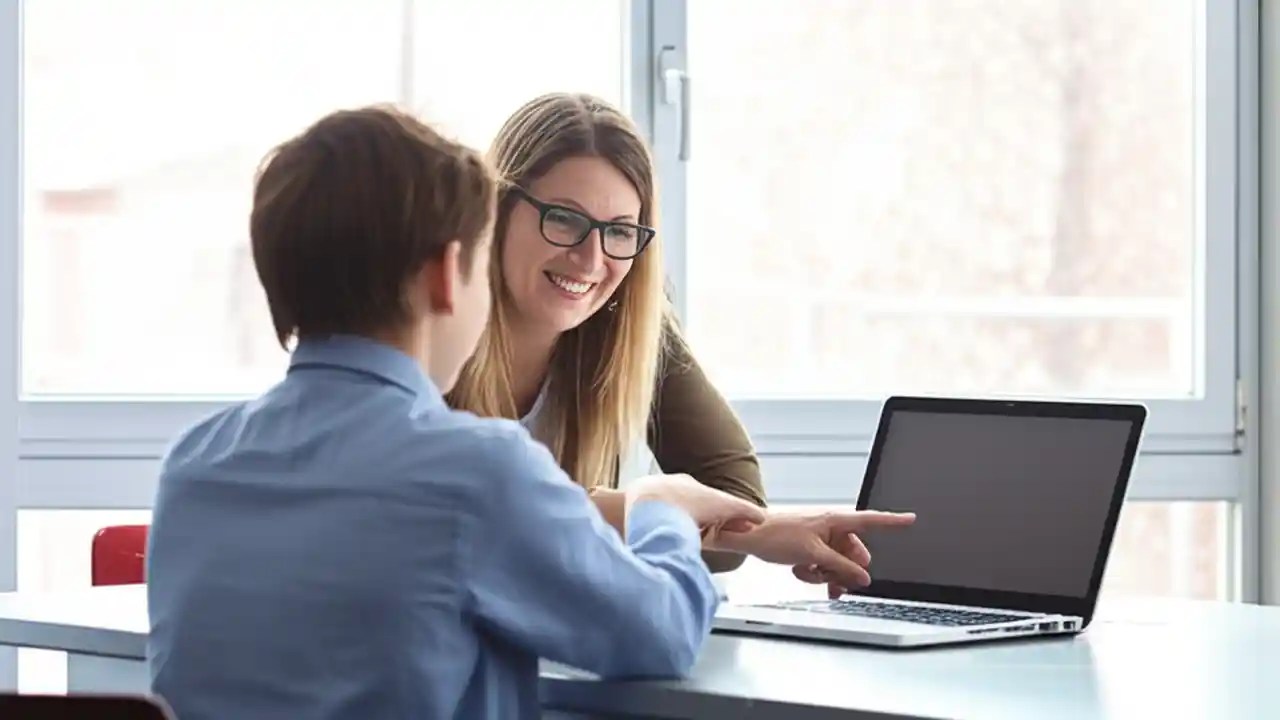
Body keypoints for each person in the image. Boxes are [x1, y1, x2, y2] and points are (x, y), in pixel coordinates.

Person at [145, 105, 773, 720]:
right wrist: (658, 510)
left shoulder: (194, 464)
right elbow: (660, 636)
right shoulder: (477, 471)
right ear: (449, 275)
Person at [448, 92, 916, 592]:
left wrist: (751, 532)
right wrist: (656, 509)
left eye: (620, 232)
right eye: (563, 219)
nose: (590, 259)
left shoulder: (628, 321)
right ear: (497, 207)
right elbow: (449, 507)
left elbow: (730, 491)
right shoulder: (430, 319)